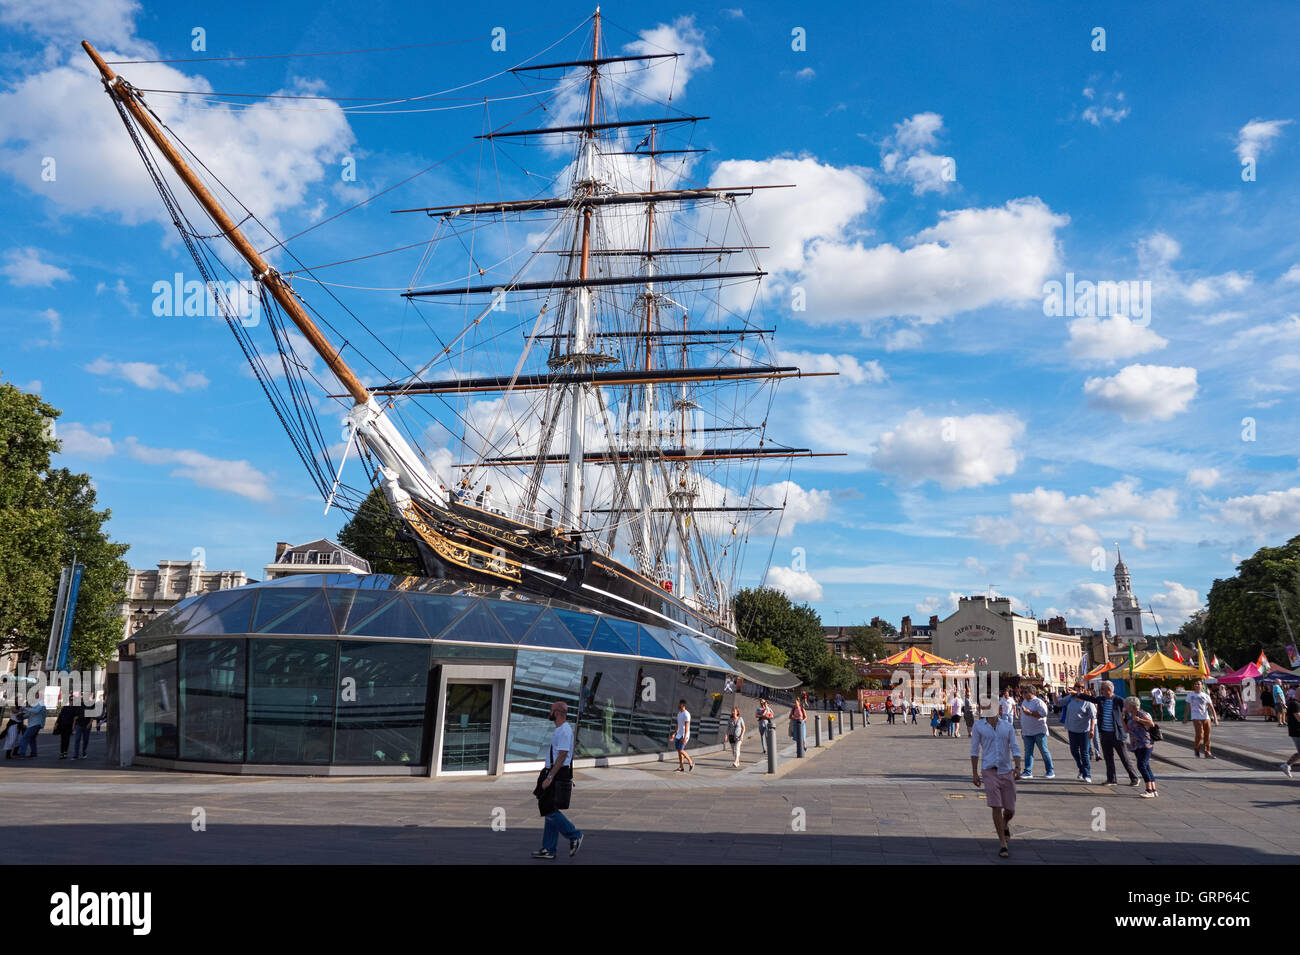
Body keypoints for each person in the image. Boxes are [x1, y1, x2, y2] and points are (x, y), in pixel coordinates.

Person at [531, 700, 583, 859]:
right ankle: (549, 848)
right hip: (553, 771)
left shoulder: (564, 731)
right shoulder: (560, 729)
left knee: (549, 809)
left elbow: (562, 756)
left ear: (558, 713)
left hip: (557, 773)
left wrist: (550, 777)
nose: (549, 712)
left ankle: (574, 835)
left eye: (551, 710)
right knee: (549, 809)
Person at [971, 705, 1023, 858]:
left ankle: (1005, 823)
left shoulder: (1007, 726)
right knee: (996, 806)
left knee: (1010, 810)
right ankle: (1002, 844)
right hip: (989, 771)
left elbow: (1015, 747)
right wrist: (974, 773)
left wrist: (1018, 767)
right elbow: (974, 750)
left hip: (1006, 771)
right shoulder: (978, 726)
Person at [1078, 681, 1138, 785]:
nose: (1101, 691)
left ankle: (1134, 778)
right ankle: (1111, 779)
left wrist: (1129, 728)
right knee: (1108, 757)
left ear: (1109, 690)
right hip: (1105, 733)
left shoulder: (1119, 700)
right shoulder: (1102, 699)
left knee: (1124, 757)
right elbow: (1091, 699)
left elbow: (1128, 716)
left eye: (1103, 689)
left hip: (1117, 734)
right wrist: (1077, 694)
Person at [1123, 696, 1159, 797]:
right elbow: (1126, 730)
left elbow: (1151, 724)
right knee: (1146, 766)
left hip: (1145, 743)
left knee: (1141, 765)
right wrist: (1122, 719)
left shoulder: (1141, 713)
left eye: (1127, 705)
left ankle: (1149, 790)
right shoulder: (1130, 716)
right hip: (1136, 745)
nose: (1125, 707)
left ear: (1132, 706)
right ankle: (1153, 789)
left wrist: (1139, 720)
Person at [1018, 686, 1055, 779]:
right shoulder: (1024, 701)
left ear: (1032, 692)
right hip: (1027, 732)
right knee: (1028, 752)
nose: (1023, 694)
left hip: (1039, 731)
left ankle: (1050, 771)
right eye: (1023, 692)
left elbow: (1043, 714)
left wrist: (1029, 712)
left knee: (1044, 751)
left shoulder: (1039, 702)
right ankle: (1027, 771)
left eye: (1026, 692)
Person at [1062, 684, 1097, 782]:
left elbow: (1093, 717)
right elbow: (1059, 703)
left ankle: (1087, 774)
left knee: (1084, 752)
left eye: (1082, 688)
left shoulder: (1088, 702)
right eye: (1078, 687)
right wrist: (1055, 697)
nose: (1080, 689)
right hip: (1072, 730)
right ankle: (1081, 769)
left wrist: (1092, 730)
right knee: (1073, 751)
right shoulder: (1070, 699)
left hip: (1084, 731)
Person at [1182, 679, 1219, 758]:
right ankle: (1197, 749)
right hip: (1196, 717)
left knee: (1207, 735)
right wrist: (1185, 717)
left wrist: (1215, 719)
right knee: (1199, 734)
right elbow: (1187, 707)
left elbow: (1211, 708)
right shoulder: (1190, 695)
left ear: (1202, 686)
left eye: (1198, 684)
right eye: (1195, 684)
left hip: (1206, 717)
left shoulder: (1206, 696)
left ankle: (1207, 752)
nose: (1197, 685)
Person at [671, 699, 694, 772]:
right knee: (679, 751)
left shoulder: (686, 714)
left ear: (682, 705)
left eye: (679, 704)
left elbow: (687, 727)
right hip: (679, 734)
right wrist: (674, 733)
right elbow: (677, 725)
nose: (678, 705)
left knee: (681, 750)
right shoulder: (679, 714)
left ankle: (691, 762)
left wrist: (685, 738)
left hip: (684, 735)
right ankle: (681, 767)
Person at [1282, 689, 1300, 778]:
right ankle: (1286, 765)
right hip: (1297, 731)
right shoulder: (1295, 704)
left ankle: (1286, 765)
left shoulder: (1296, 703)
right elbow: (1298, 717)